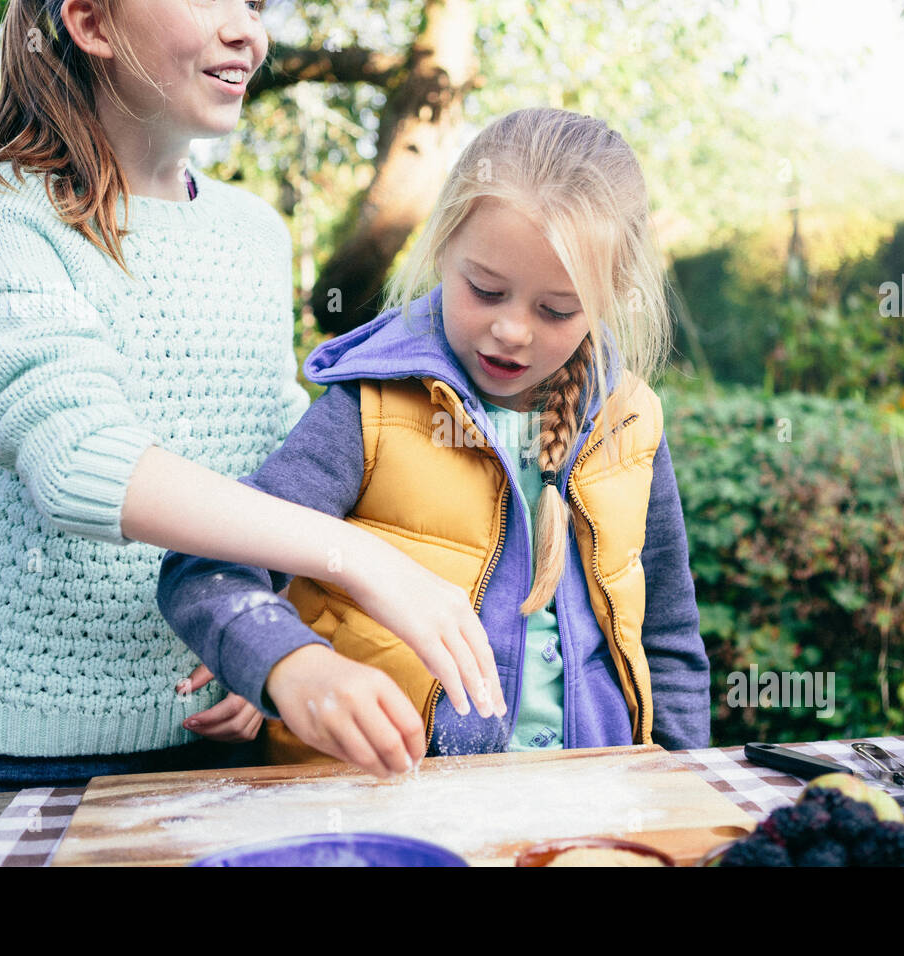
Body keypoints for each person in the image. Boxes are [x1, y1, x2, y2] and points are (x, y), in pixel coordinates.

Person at [0, 0, 505, 793]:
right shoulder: (7, 210)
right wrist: (363, 560)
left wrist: (263, 643)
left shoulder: (256, 231)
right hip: (48, 751)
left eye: (257, 5)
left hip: (236, 724)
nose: (249, 31)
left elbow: (278, 468)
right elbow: (77, 459)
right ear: (92, 24)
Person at [159, 107, 711, 761]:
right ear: (444, 247)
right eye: (485, 289)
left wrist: (685, 780)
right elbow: (205, 569)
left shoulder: (631, 422)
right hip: (385, 801)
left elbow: (669, 637)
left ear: (612, 295)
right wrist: (279, 662)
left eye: (556, 309)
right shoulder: (368, 408)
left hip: (589, 802)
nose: (512, 330)